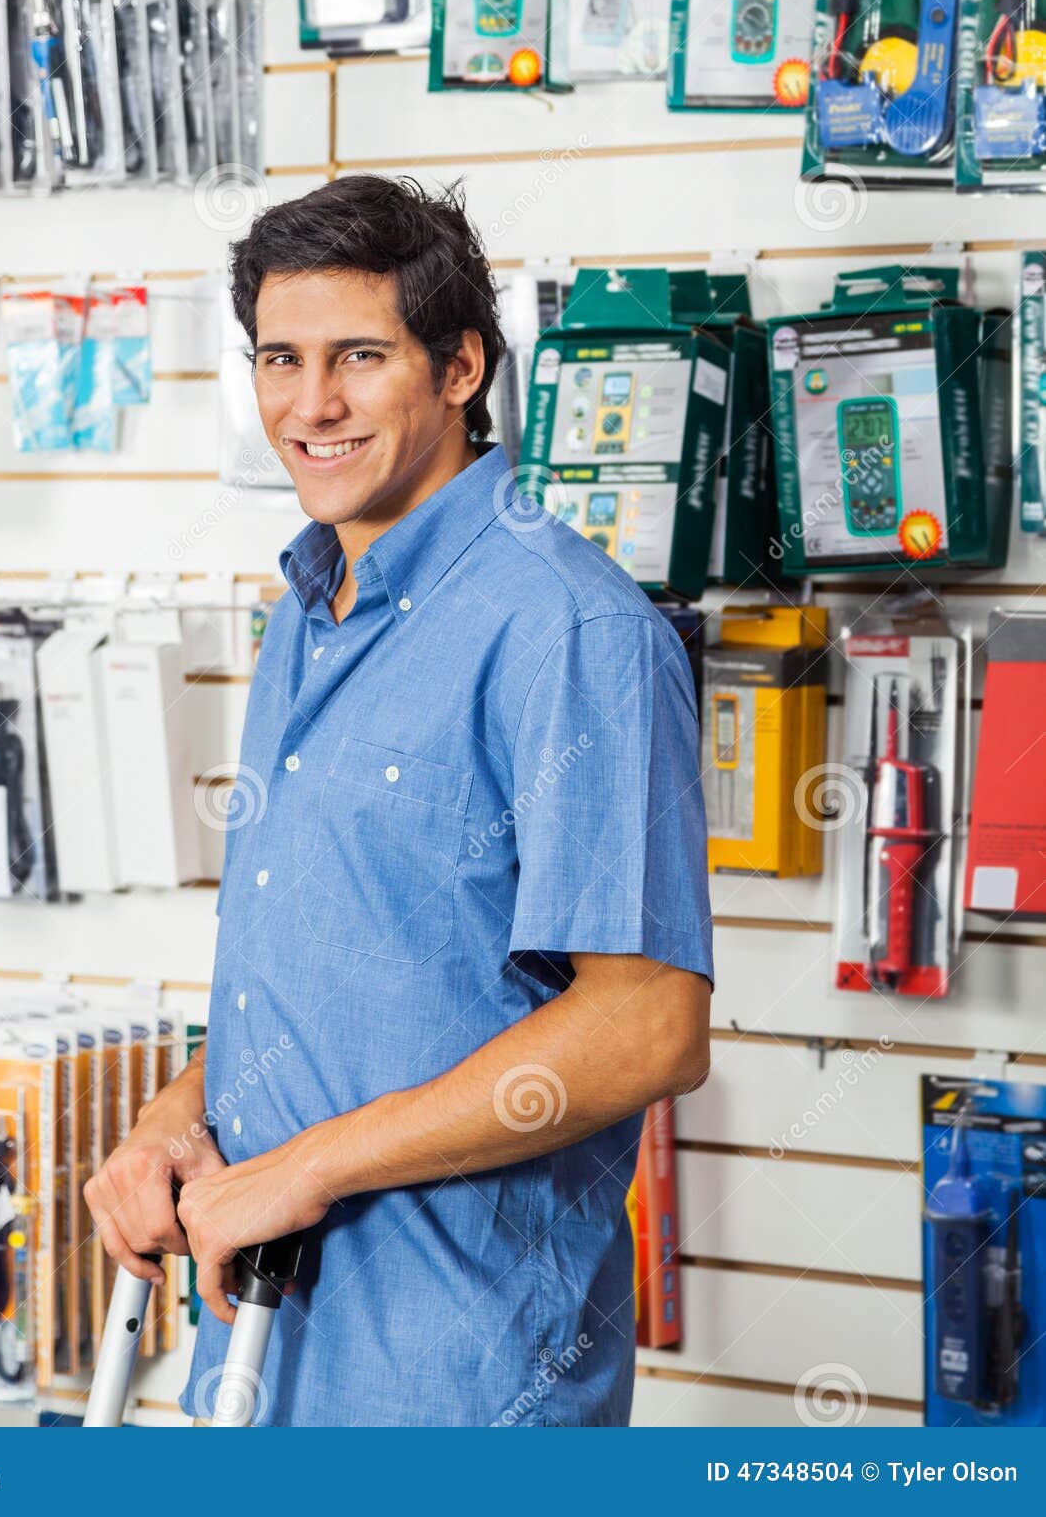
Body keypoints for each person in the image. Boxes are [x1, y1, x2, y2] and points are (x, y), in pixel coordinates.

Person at [85, 174, 713, 1427]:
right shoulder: (306, 612)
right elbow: (349, 968)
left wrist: (304, 1171)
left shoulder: (568, 629)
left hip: (454, 1384)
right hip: (261, 1358)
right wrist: (179, 1113)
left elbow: (646, 1026)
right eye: (279, 358)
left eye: (358, 357)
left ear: (461, 366)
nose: (307, 405)